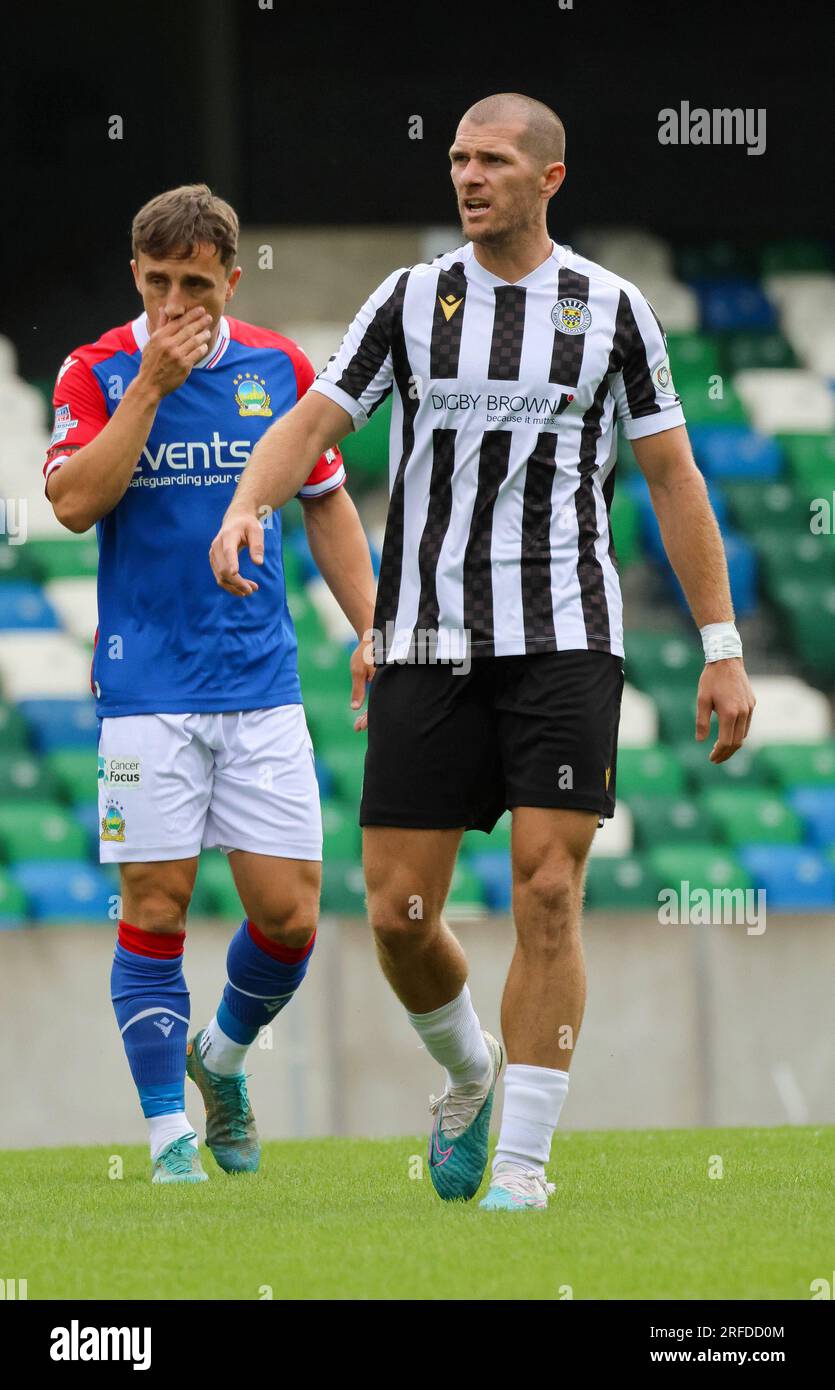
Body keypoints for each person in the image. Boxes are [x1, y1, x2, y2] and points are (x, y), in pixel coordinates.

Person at [209, 95, 756, 1210]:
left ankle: (522, 1165)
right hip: (422, 644)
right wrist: (244, 505)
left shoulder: (611, 311)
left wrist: (721, 643)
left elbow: (670, 477)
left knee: (548, 889)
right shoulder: (409, 301)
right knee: (399, 916)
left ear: (547, 179)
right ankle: (468, 1072)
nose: (468, 176)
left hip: (564, 637)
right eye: (458, 158)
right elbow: (314, 424)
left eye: (493, 161)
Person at [45, 184, 375, 1184]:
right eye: (159, 283)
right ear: (135, 276)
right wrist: (147, 385)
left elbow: (326, 505)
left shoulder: (280, 368)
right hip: (144, 689)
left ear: (232, 279)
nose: (177, 302)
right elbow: (69, 503)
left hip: (261, 683)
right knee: (155, 898)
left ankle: (220, 1060)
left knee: (290, 916)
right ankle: (166, 1140)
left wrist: (377, 632)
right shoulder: (98, 369)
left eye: (197, 283)